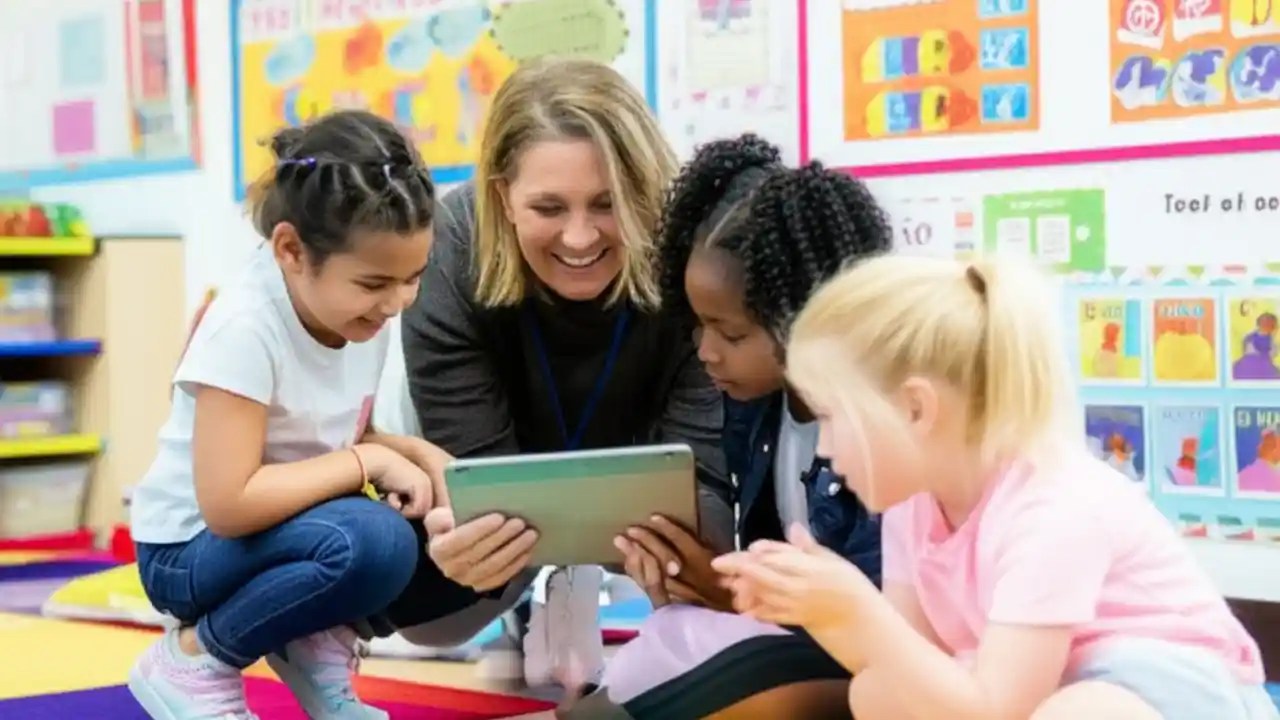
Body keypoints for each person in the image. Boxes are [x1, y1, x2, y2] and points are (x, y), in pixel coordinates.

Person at [713, 255, 1276, 720]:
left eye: (833, 417)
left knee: (1079, 714)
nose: (827, 447)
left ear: (915, 408)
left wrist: (856, 609)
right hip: (1048, 691)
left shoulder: (1054, 505)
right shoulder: (914, 504)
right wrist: (823, 611)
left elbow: (998, 711)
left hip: (1174, 693)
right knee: (878, 695)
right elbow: (911, 662)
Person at [374, 57, 736, 690]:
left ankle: (582, 579)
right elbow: (475, 462)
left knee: (706, 578)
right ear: (500, 198)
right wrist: (474, 548)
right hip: (504, 452)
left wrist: (693, 562)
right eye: (548, 207)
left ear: (644, 191)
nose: (578, 237)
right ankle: (528, 592)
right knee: (434, 624)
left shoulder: (689, 252)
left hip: (643, 460)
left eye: (607, 204)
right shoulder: (450, 251)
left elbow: (703, 464)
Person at [127, 111, 449, 719]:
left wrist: (418, 457)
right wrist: (370, 461)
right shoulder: (246, 327)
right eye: (378, 281)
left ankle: (311, 644)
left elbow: (329, 431)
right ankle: (193, 661)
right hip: (186, 551)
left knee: (438, 526)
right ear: (291, 250)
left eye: (414, 278)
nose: (399, 301)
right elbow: (229, 502)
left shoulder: (357, 310)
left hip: (275, 532)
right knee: (373, 539)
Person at [556, 135, 889, 719]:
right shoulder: (756, 404)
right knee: (673, 635)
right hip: (784, 639)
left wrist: (734, 592)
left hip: (871, 658)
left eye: (731, 335)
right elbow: (756, 568)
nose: (706, 353)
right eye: (697, 326)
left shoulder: (882, 434)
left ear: (810, 317)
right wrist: (692, 579)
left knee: (711, 673)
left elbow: (877, 626)